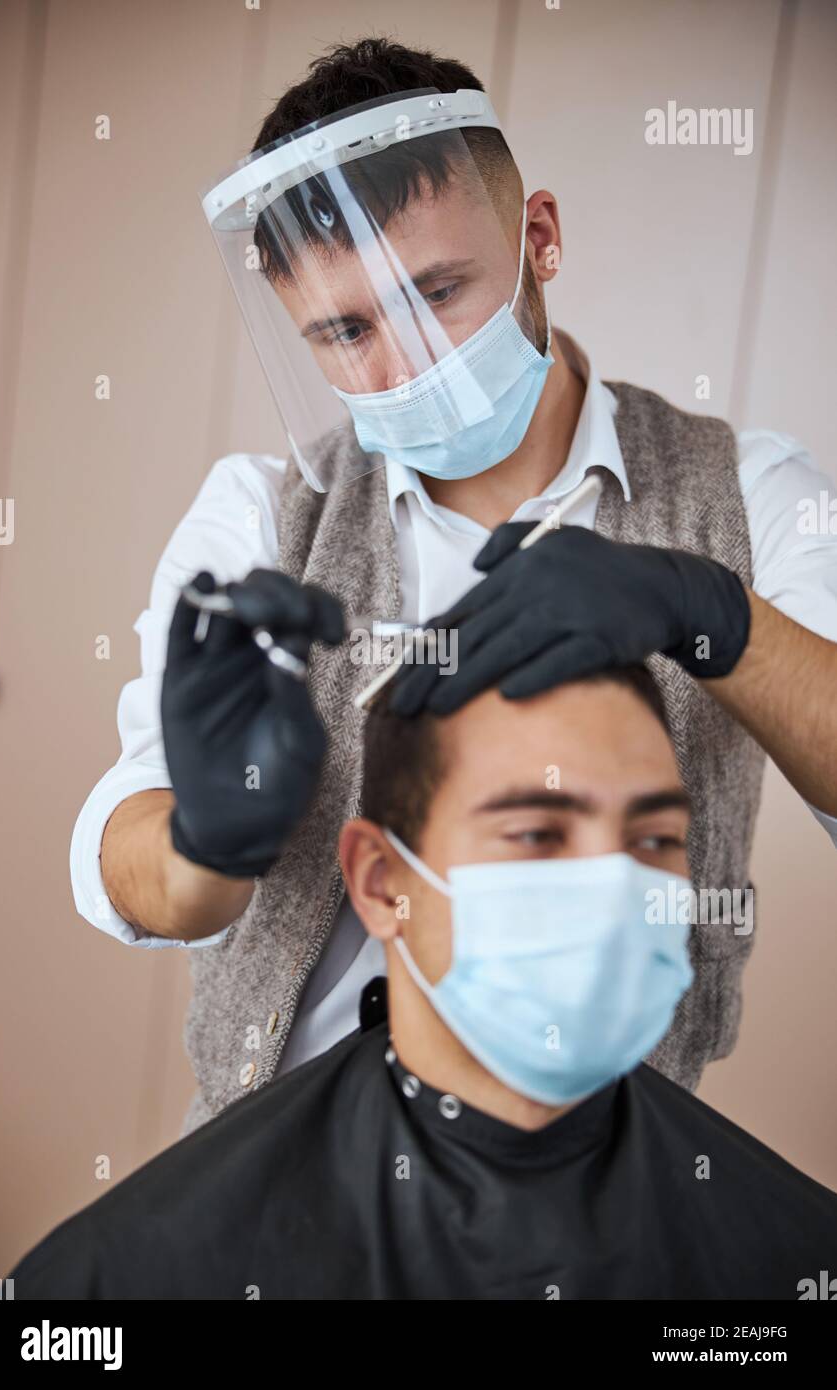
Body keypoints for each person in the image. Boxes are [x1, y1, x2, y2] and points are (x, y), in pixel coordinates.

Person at [71, 37, 837, 1133]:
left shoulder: (747, 494)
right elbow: (128, 859)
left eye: (437, 293)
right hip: (276, 1171)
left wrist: (715, 617)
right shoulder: (259, 522)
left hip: (592, 1189)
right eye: (344, 331)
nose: (405, 366)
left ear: (538, 238)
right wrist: (208, 837)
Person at [13, 669, 837, 1299]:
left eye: (655, 836)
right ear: (380, 884)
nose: (611, 889)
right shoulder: (131, 1279)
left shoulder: (794, 1267)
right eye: (538, 833)